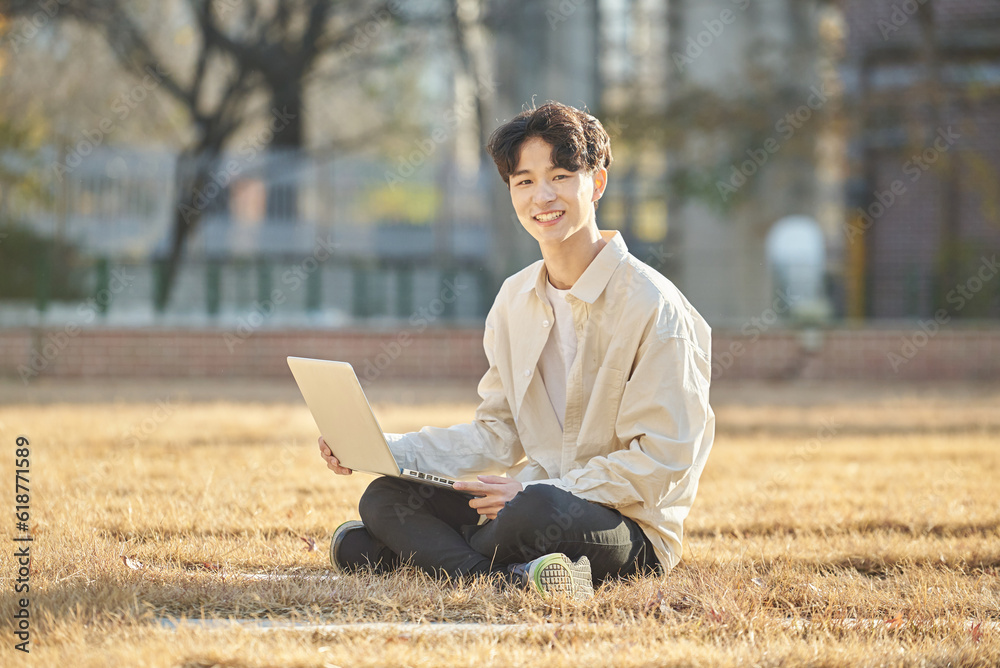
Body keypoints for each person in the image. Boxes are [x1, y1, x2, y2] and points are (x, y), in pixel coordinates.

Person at [318, 101, 714, 600]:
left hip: (624, 526)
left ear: (596, 183)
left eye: (560, 176)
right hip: (520, 503)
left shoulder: (653, 306)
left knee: (534, 511)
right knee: (386, 496)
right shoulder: (514, 299)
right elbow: (497, 433)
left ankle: (404, 553)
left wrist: (537, 491)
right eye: (524, 181)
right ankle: (509, 576)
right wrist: (383, 450)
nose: (542, 196)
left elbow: (663, 462)